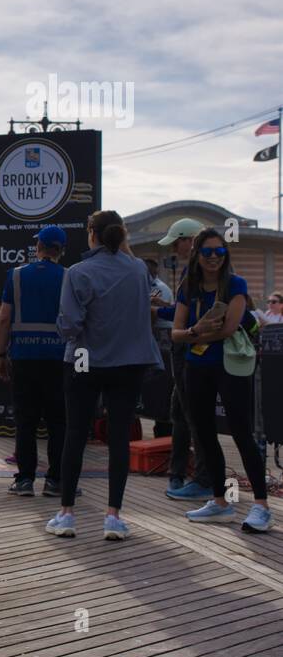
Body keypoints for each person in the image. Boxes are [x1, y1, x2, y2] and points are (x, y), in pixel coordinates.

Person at [48, 211, 162, 541]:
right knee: (118, 439)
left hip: (84, 361)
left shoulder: (78, 272)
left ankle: (66, 514)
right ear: (121, 234)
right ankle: (113, 517)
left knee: (76, 434)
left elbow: (69, 326)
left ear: (92, 234)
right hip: (127, 364)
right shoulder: (138, 269)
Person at [172, 228, 271, 533]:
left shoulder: (235, 285)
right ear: (197, 255)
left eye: (220, 251)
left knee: (241, 432)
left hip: (230, 366)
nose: (214, 257)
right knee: (202, 432)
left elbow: (229, 329)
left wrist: (194, 333)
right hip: (197, 367)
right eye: (207, 252)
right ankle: (220, 501)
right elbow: (175, 332)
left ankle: (261, 505)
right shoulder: (188, 286)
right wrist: (193, 333)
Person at [0, 226, 68, 497]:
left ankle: (25, 480)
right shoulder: (69, 277)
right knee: (58, 422)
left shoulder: (15, 276)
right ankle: (56, 481)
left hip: (24, 359)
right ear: (60, 249)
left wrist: (1, 355)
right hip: (58, 360)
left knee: (25, 421)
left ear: (38, 247)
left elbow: (4, 319)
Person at [153, 218, 214, 501]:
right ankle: (179, 472)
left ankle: (204, 479)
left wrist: (157, 313)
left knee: (194, 416)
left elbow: (190, 316)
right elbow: (184, 311)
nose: (174, 250)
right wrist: (163, 310)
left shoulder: (199, 275)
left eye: (176, 243)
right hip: (185, 351)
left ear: (190, 241)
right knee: (179, 414)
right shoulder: (193, 274)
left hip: (190, 353)